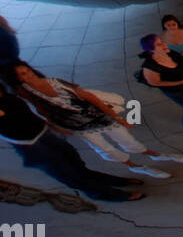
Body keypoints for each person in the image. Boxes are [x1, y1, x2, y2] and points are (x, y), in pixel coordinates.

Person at [11, 62, 183, 177]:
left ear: (31, 70)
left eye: (26, 72)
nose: (26, 77)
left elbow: (89, 97)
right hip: (77, 126)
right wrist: (55, 126)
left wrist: (115, 116)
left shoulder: (56, 81)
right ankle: (136, 166)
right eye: (21, 76)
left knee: (126, 139)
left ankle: (156, 155)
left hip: (96, 116)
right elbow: (41, 109)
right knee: (106, 149)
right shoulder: (25, 92)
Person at [0, 80, 144, 202]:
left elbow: (26, 112)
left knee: (76, 165)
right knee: (69, 174)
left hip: (44, 133)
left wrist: (52, 125)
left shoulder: (7, 94)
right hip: (29, 145)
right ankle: (109, 194)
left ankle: (113, 182)